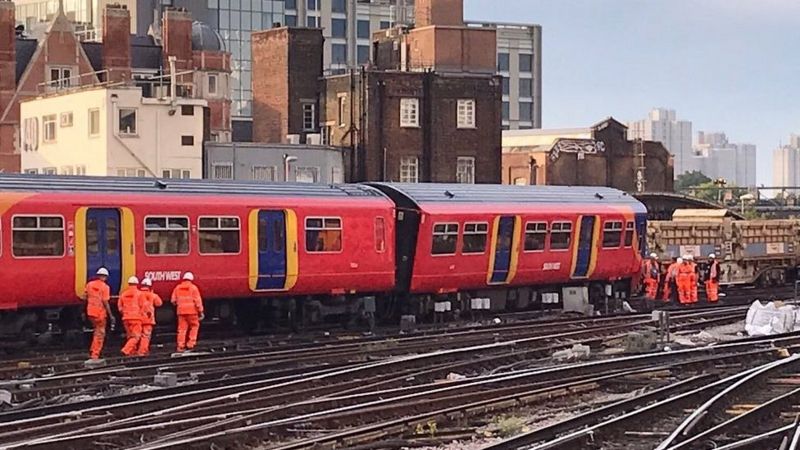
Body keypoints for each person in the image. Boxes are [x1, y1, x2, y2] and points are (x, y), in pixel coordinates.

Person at [83, 267, 115, 360]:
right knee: (100, 334)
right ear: (105, 277)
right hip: (100, 314)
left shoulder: (89, 285)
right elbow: (105, 302)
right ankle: (95, 354)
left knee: (96, 332)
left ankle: (93, 349)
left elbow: (84, 297)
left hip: (90, 312)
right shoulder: (105, 287)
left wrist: (83, 311)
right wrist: (111, 315)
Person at [171, 272, 204, 352]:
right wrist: (201, 311)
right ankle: (190, 344)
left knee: (182, 329)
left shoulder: (177, 288)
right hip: (192, 312)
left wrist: (179, 305)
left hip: (181, 312)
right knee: (194, 326)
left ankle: (180, 346)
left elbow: (173, 300)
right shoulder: (193, 288)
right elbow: (197, 301)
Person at [118, 276, 143, 356]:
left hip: (126, 318)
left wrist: (125, 313)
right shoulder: (139, 294)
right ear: (136, 284)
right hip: (136, 318)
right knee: (136, 337)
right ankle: (126, 350)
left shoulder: (123, 294)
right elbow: (143, 306)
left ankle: (132, 352)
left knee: (130, 336)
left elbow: (120, 307)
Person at [137, 278, 162, 356]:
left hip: (138, 318)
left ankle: (135, 350)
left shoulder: (137, 294)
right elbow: (159, 303)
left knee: (137, 335)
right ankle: (142, 352)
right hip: (148, 318)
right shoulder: (152, 295)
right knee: (146, 336)